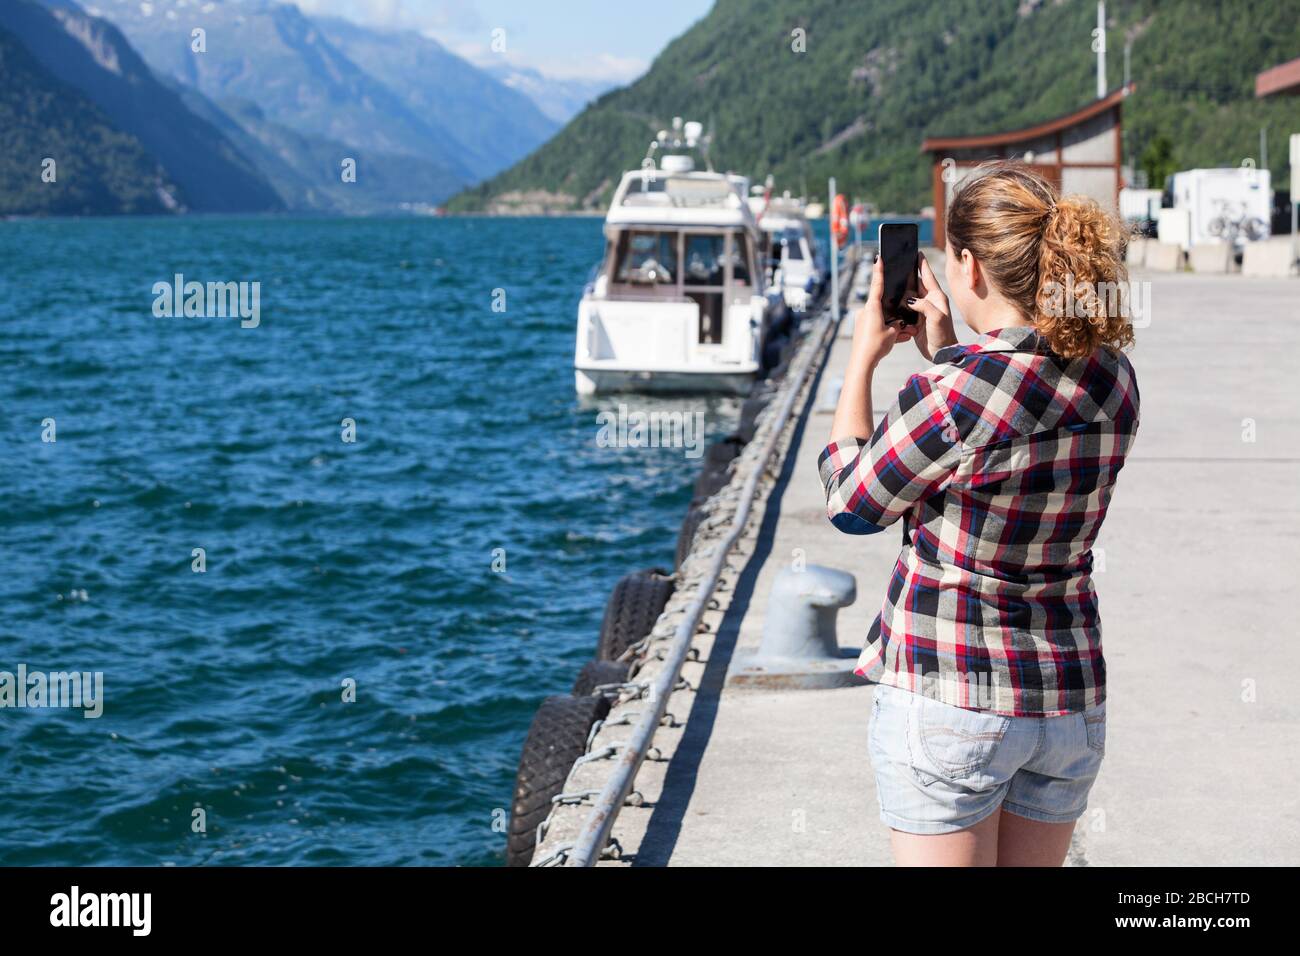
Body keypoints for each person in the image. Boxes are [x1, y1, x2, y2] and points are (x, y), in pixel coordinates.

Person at [820, 162, 1139, 866]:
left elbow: (852, 504)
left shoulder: (951, 393)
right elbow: (1010, 418)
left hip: (953, 696)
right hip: (1066, 696)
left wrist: (862, 361)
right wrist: (946, 353)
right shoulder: (1113, 377)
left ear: (967, 265)